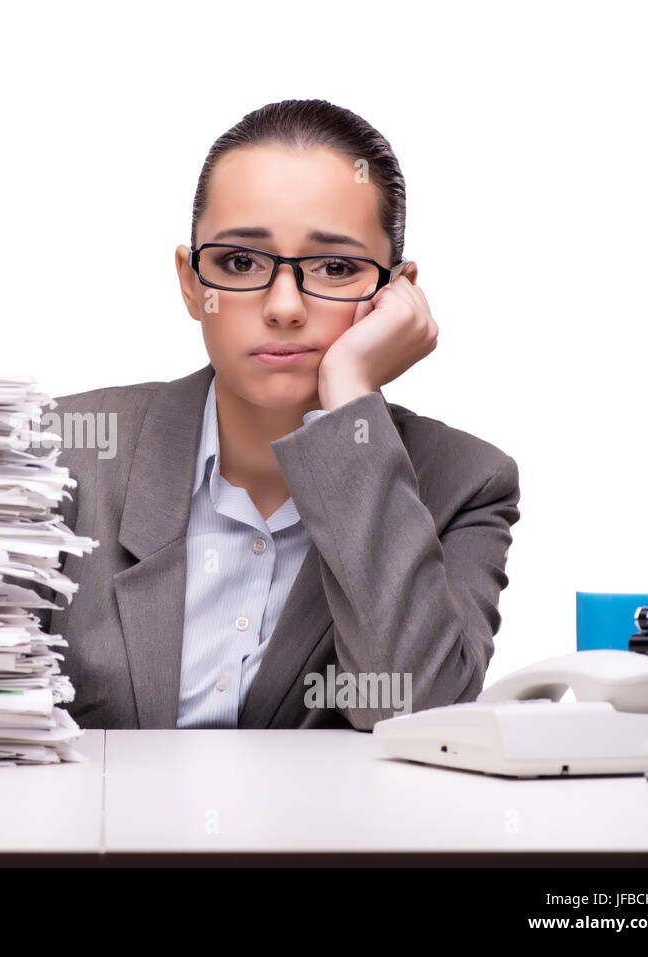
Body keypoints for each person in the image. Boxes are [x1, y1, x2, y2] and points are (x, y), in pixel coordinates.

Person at [37, 99, 520, 731]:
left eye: (336, 267)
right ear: (191, 282)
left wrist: (349, 397)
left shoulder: (465, 483)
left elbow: (415, 715)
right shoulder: (58, 458)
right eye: (240, 262)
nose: (285, 307)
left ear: (395, 292)